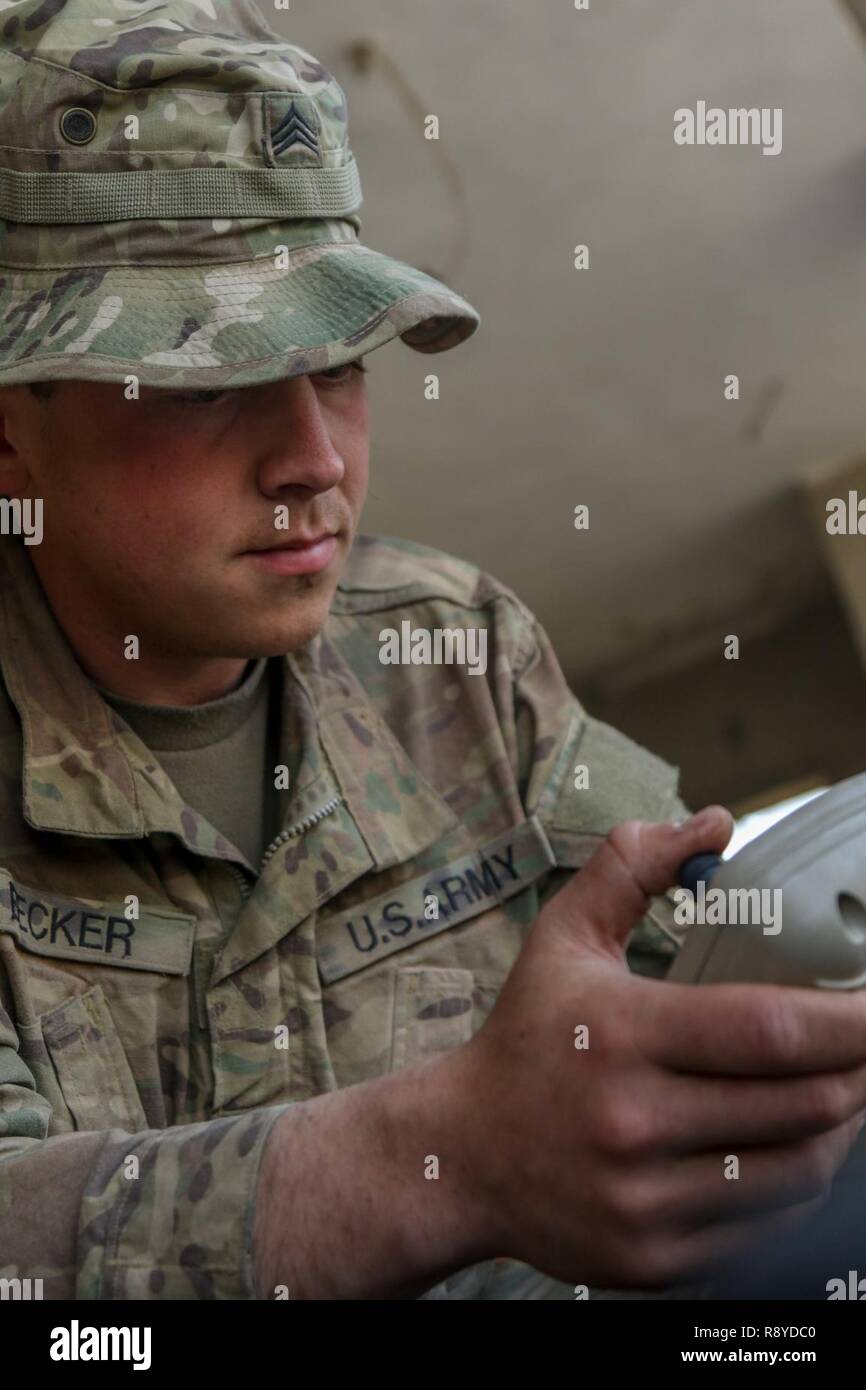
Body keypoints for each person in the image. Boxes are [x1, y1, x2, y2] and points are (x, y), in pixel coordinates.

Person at [2, 0, 866, 1302]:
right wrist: (453, 1157)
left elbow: (696, 975)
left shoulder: (452, 652)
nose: (313, 460)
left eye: (342, 363)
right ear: (13, 433)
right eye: (209, 376)